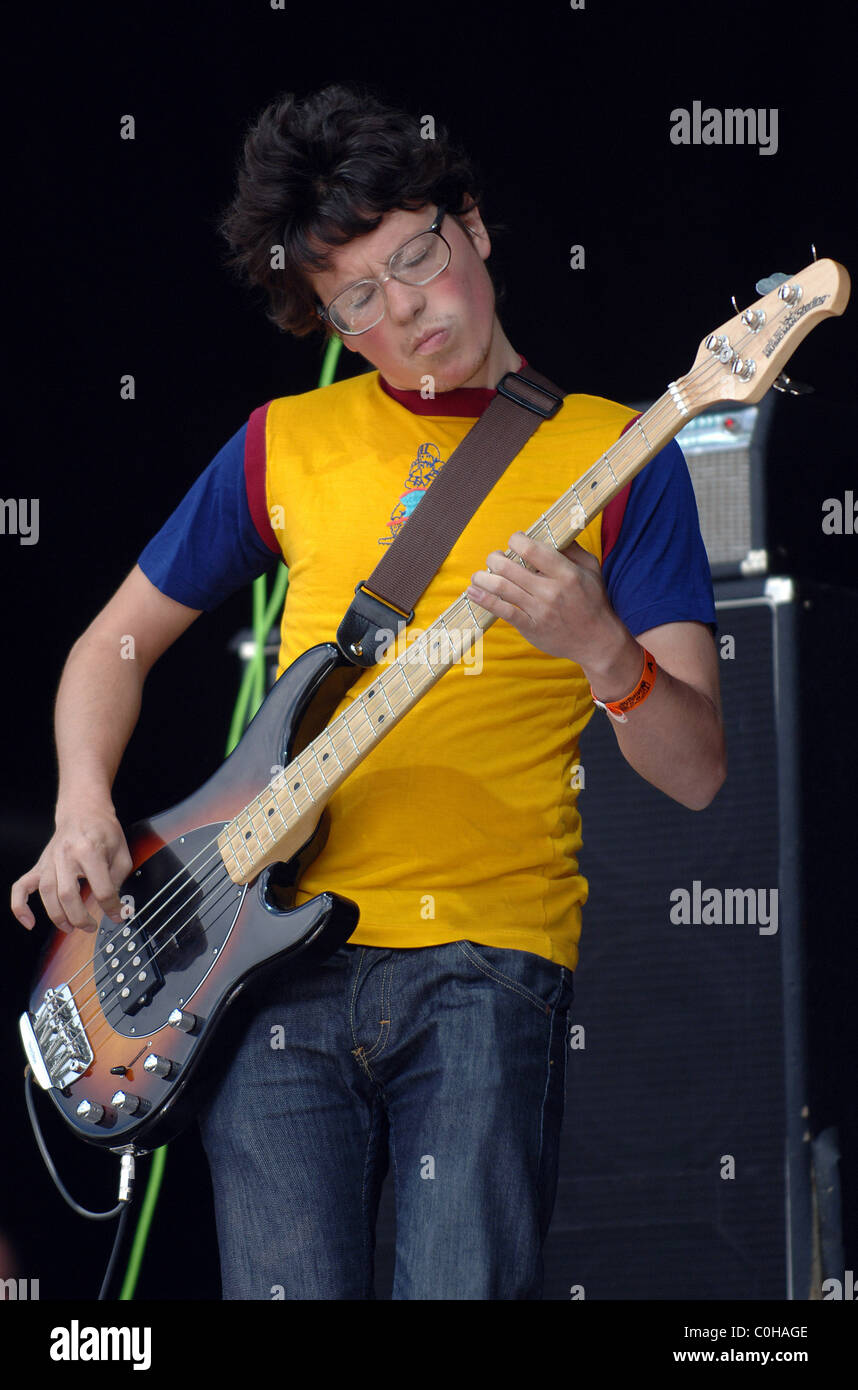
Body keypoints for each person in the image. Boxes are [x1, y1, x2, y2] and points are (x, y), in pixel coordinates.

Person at [10, 84, 725, 1300]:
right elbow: (112, 646)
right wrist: (85, 802)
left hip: (484, 962)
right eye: (358, 297)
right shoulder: (283, 441)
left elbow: (699, 768)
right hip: (258, 965)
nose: (406, 311)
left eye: (417, 259)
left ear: (474, 228)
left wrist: (603, 645)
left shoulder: (624, 454)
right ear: (325, 317)